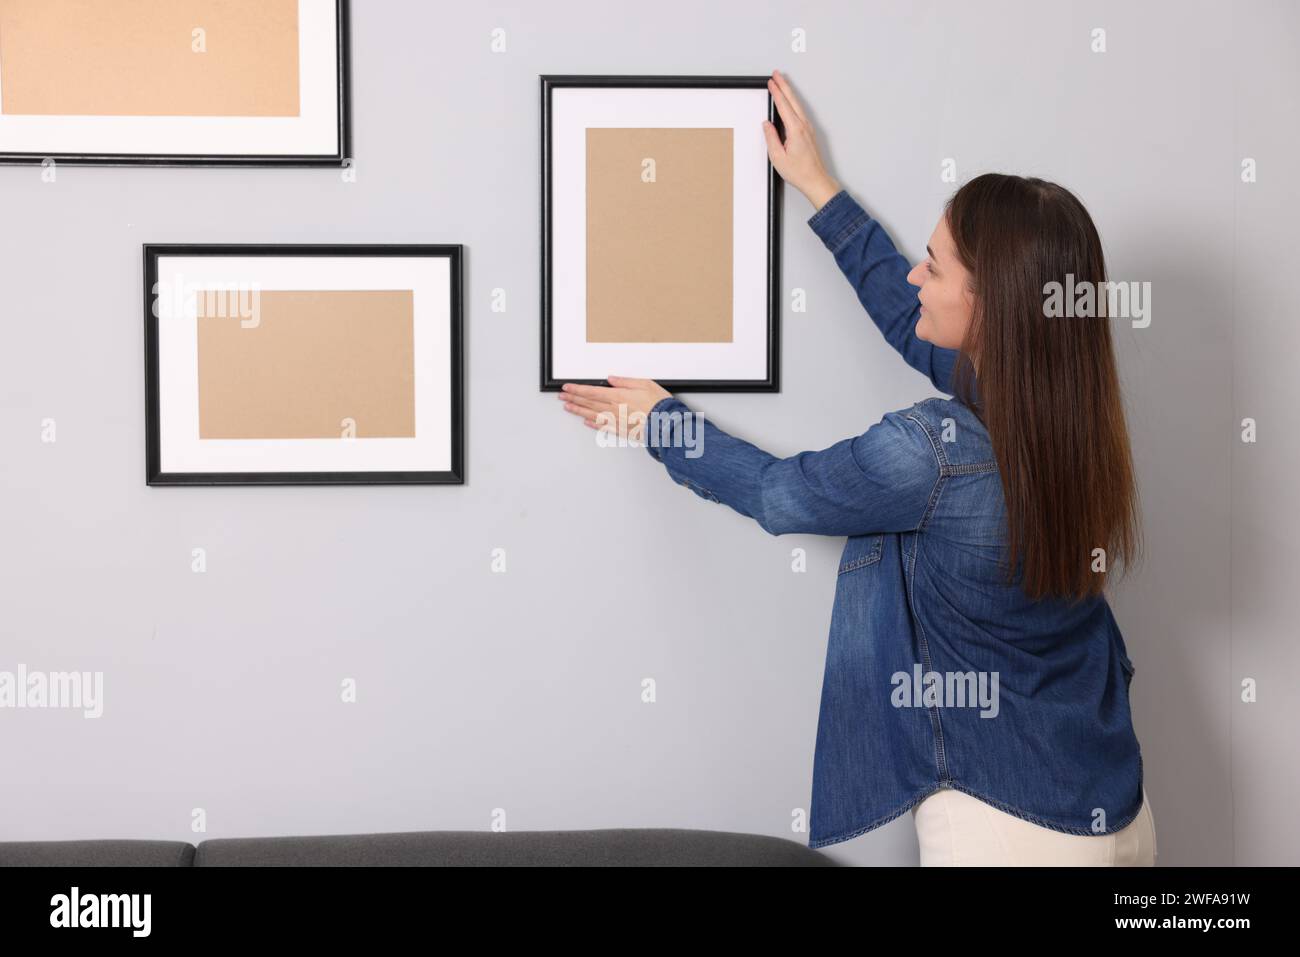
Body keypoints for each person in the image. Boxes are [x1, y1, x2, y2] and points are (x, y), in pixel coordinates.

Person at [557, 69, 1155, 866]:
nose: (916, 275)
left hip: (1009, 834)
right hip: (1119, 812)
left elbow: (779, 493)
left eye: (935, 267)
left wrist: (660, 421)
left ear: (991, 307)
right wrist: (817, 185)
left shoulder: (932, 454)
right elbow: (913, 326)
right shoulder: (1067, 416)